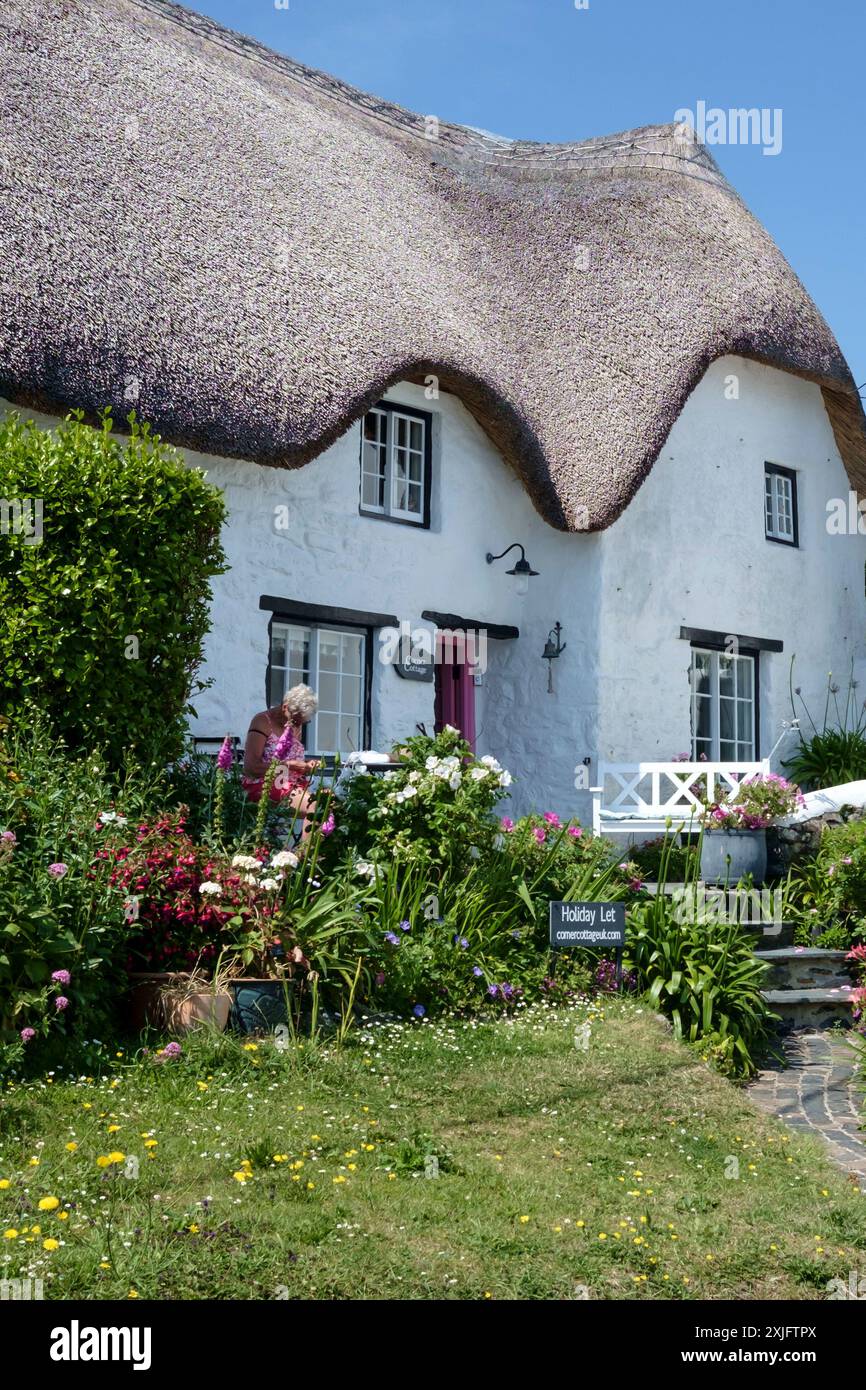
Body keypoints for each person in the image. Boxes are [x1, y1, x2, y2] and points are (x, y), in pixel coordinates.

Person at [242, 684, 320, 833]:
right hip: (263, 784)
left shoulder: (294, 725)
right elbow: (251, 768)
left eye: (302, 722)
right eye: (296, 720)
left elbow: (292, 760)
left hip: (290, 785)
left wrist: (306, 766)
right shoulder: (262, 722)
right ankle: (304, 855)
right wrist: (289, 766)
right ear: (285, 707)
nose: (298, 725)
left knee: (327, 804)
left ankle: (304, 853)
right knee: (314, 805)